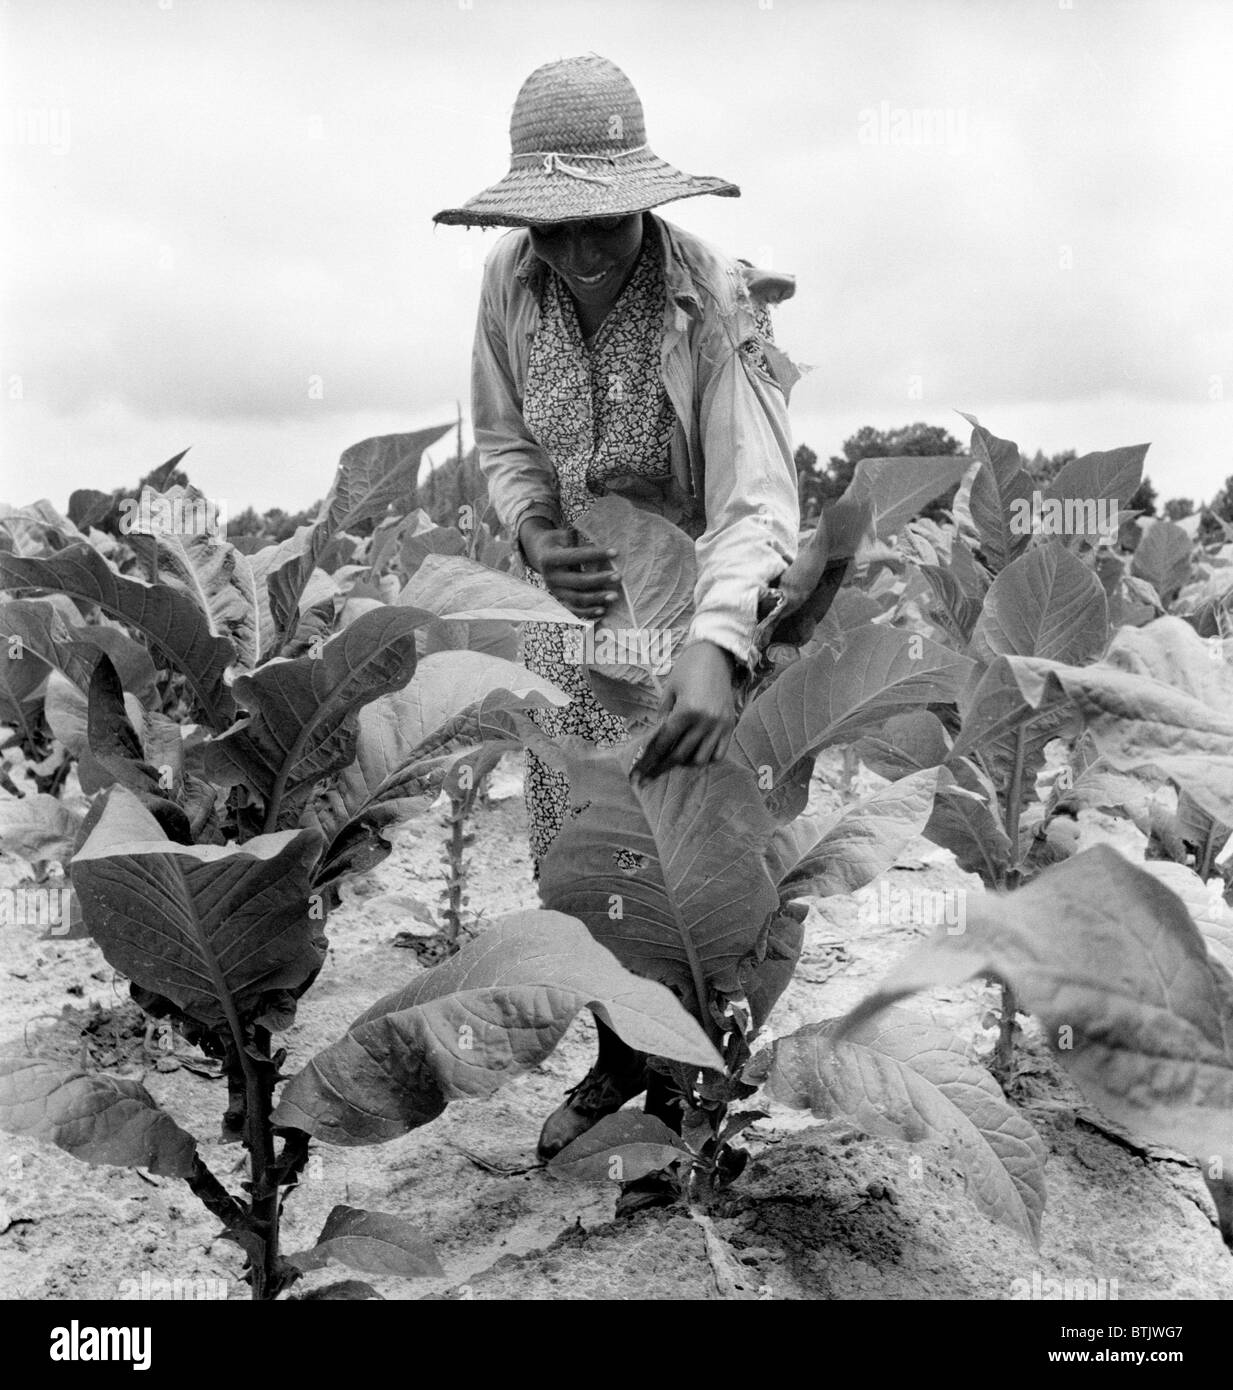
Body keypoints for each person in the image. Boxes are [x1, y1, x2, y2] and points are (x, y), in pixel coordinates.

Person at [434, 54, 801, 1204]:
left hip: (698, 615)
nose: (582, 252)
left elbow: (757, 498)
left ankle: (695, 1092)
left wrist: (718, 638)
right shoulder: (510, 281)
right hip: (573, 620)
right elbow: (502, 442)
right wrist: (537, 532)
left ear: (643, 199)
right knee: (582, 853)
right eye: (555, 230)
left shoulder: (711, 298)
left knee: (702, 862)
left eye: (602, 223)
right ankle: (619, 1053)